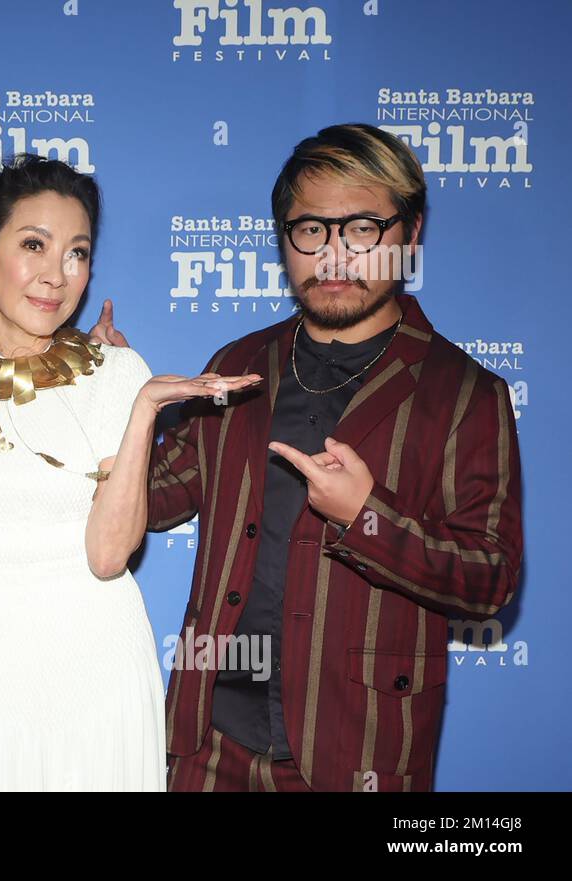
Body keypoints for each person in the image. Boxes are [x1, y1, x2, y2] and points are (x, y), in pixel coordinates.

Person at [94, 123, 523, 791]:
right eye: (311, 230)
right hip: (211, 746)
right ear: (284, 239)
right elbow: (151, 497)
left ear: (409, 237)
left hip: (358, 755)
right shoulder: (238, 366)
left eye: (361, 230)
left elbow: (491, 576)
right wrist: (109, 391)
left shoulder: (463, 393)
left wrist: (367, 517)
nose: (334, 254)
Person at [0, 154, 260, 791]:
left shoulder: (120, 375)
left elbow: (108, 554)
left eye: (77, 252)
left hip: (106, 668)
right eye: (33, 246)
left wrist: (145, 407)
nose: (55, 276)